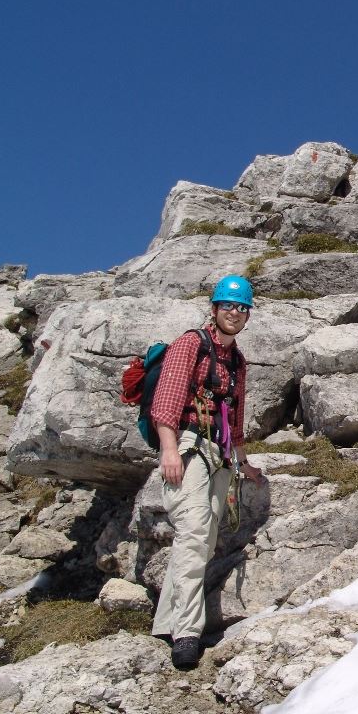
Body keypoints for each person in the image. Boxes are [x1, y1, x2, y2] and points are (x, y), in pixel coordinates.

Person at [150, 275, 267, 670]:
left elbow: (235, 414)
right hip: (186, 446)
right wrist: (169, 450)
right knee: (196, 532)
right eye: (229, 306)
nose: (235, 313)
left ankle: (168, 622)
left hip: (219, 452)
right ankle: (187, 633)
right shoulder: (191, 343)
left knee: (203, 535)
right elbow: (166, 399)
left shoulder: (237, 360)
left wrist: (243, 461)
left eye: (242, 308)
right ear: (214, 308)